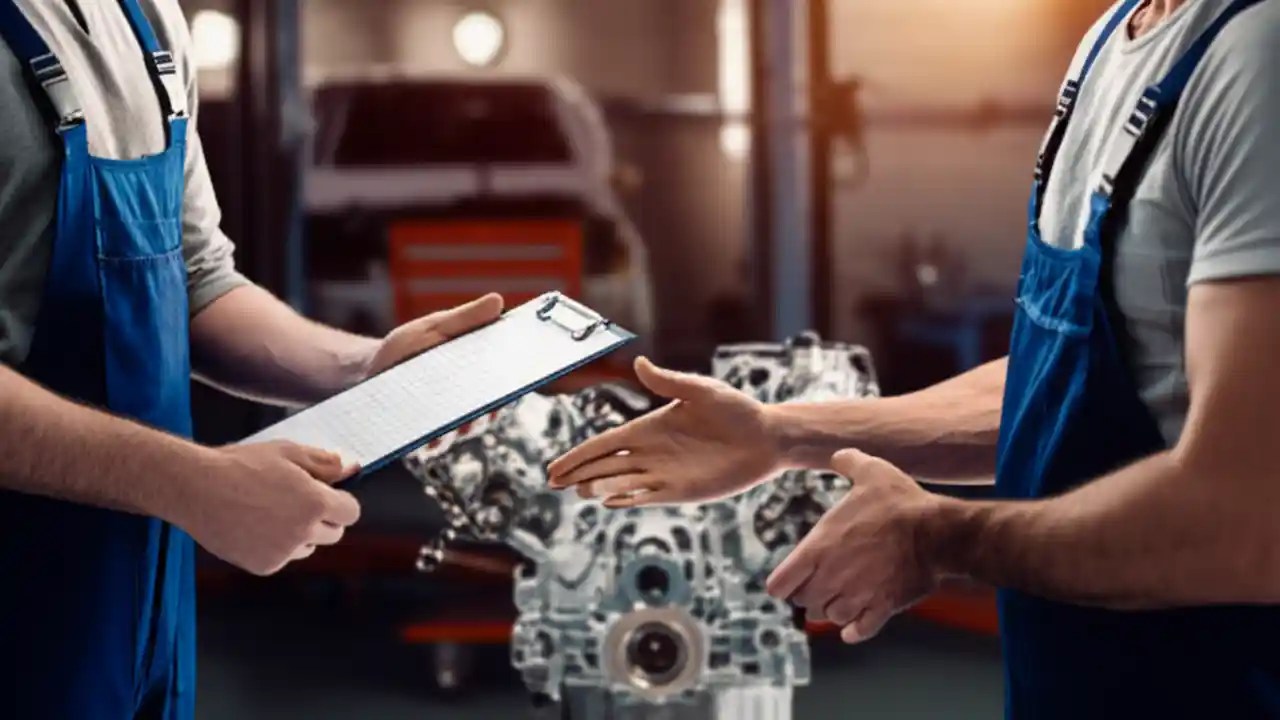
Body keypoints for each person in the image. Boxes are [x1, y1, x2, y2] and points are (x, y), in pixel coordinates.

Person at [549, 0, 1280, 716]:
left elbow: (1245, 521)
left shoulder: (1256, 56)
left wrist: (938, 535)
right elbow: (1061, 385)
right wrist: (782, 433)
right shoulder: (1111, 43)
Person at [0, 1, 502, 717]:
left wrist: (366, 369)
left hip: (137, 604)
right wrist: (192, 482)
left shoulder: (147, 19)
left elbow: (197, 280)